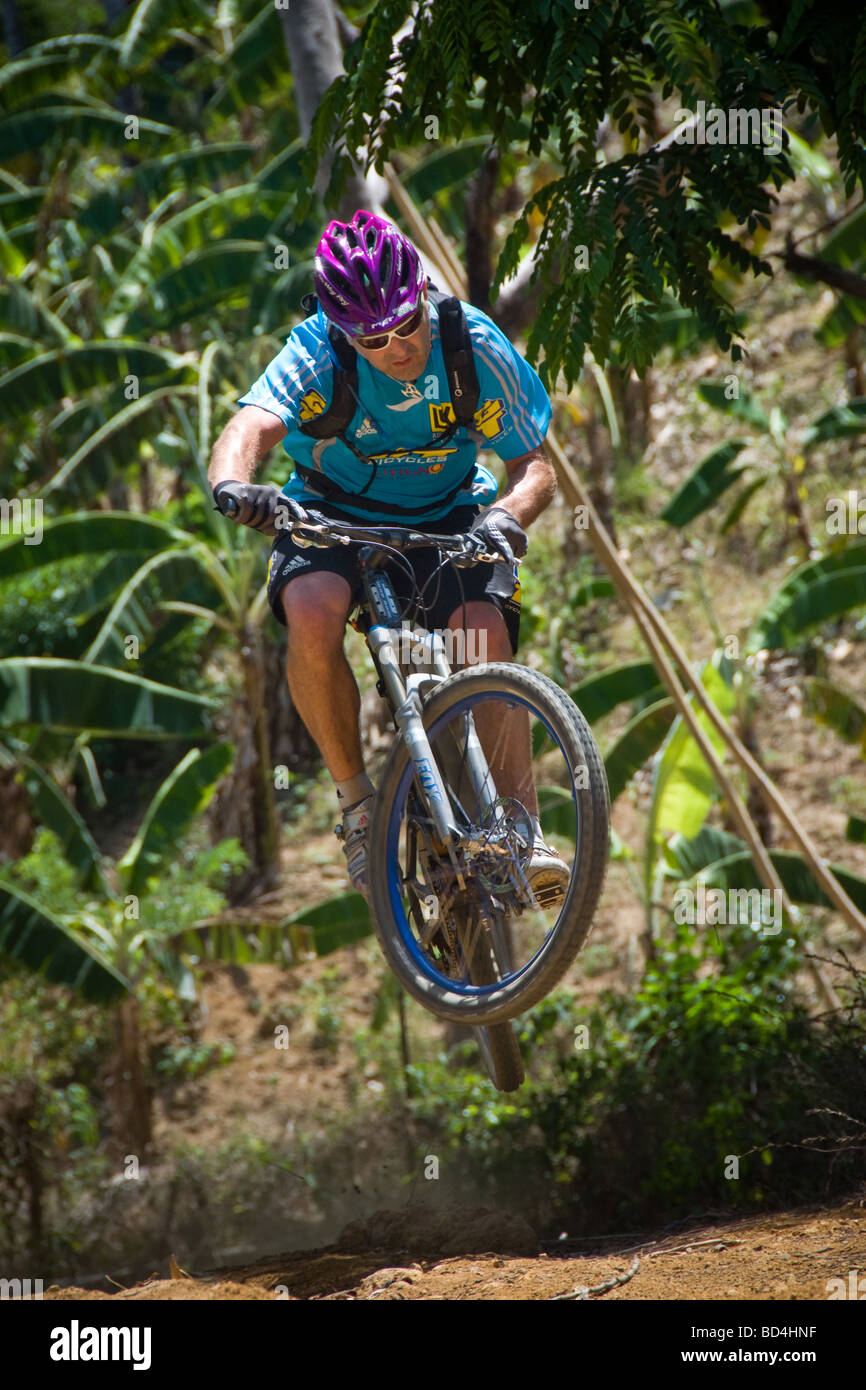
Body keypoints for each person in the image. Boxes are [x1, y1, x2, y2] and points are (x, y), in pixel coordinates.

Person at [208, 210, 567, 901]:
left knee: (483, 635)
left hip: (450, 511)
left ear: (426, 293)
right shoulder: (318, 353)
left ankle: (523, 834)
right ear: (345, 333)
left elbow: (536, 467)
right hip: (333, 509)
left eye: (408, 323)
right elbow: (246, 428)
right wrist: (234, 484)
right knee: (311, 611)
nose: (398, 346)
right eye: (374, 338)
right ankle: (357, 806)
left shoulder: (473, 346)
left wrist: (506, 518)